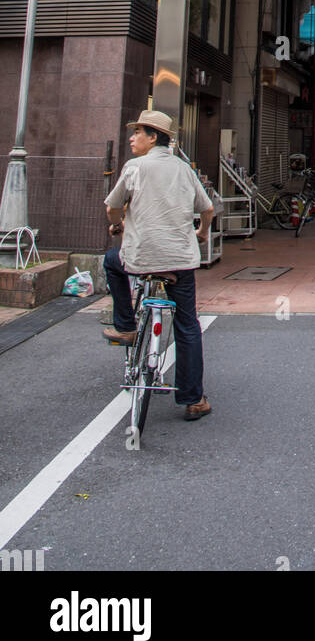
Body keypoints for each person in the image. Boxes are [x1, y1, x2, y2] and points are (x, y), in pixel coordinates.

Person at [102, 109, 214, 421]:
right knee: (187, 324)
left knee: (112, 262)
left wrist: (118, 224)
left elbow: (112, 207)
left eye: (138, 132)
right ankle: (194, 400)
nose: (132, 138)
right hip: (180, 261)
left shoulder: (135, 167)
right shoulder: (183, 168)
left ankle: (126, 326)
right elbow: (207, 209)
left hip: (139, 258)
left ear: (154, 137)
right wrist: (202, 233)